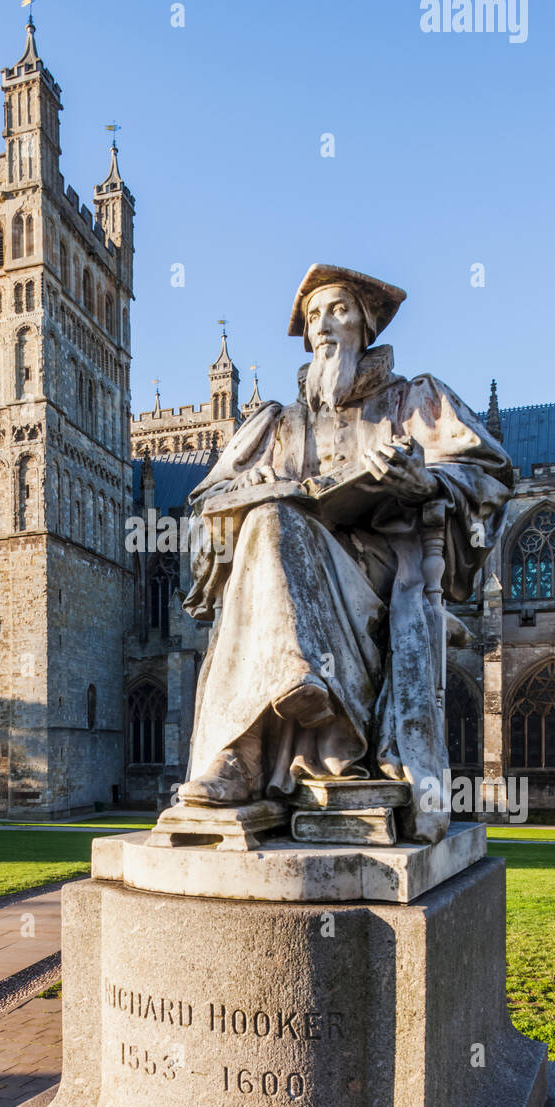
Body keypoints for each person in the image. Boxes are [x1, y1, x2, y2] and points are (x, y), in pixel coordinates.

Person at [178, 264, 513, 843]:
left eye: (338, 310)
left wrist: (423, 482)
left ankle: (247, 750)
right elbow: (205, 503)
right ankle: (278, 709)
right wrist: (252, 489)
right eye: (314, 317)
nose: (324, 326)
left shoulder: (414, 401)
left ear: (366, 321)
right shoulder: (279, 424)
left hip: (383, 575)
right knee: (269, 522)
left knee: (274, 529)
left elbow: (487, 473)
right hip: (282, 565)